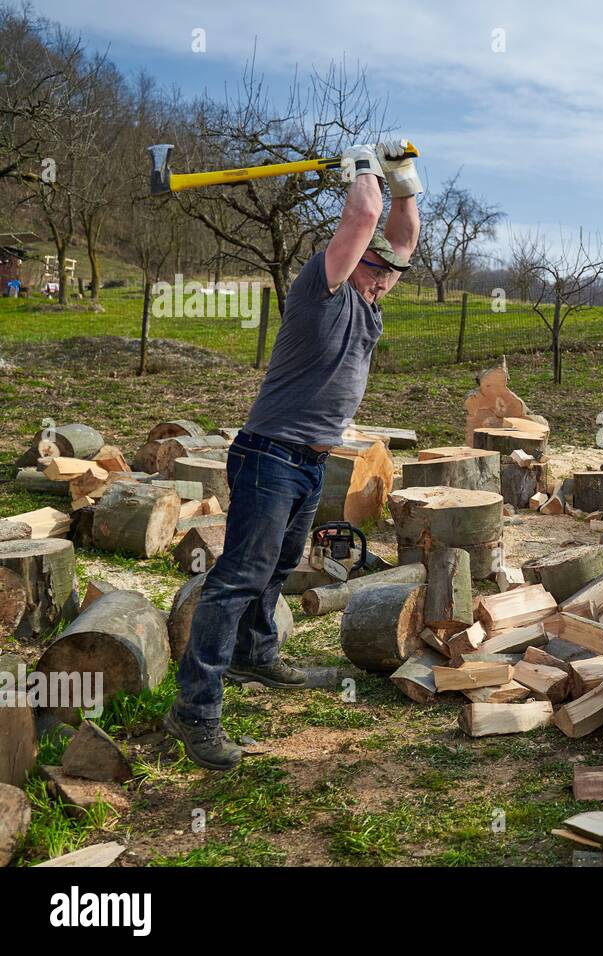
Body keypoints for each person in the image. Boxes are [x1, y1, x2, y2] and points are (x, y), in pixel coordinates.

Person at [165, 141, 422, 770]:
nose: (387, 276)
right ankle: (194, 711)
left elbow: (402, 235)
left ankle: (256, 655)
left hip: (310, 462)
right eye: (376, 267)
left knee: (277, 566)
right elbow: (363, 218)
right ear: (352, 263)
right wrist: (361, 166)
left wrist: (403, 177)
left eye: (392, 272)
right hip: (268, 456)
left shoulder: (369, 302)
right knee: (236, 578)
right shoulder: (323, 289)